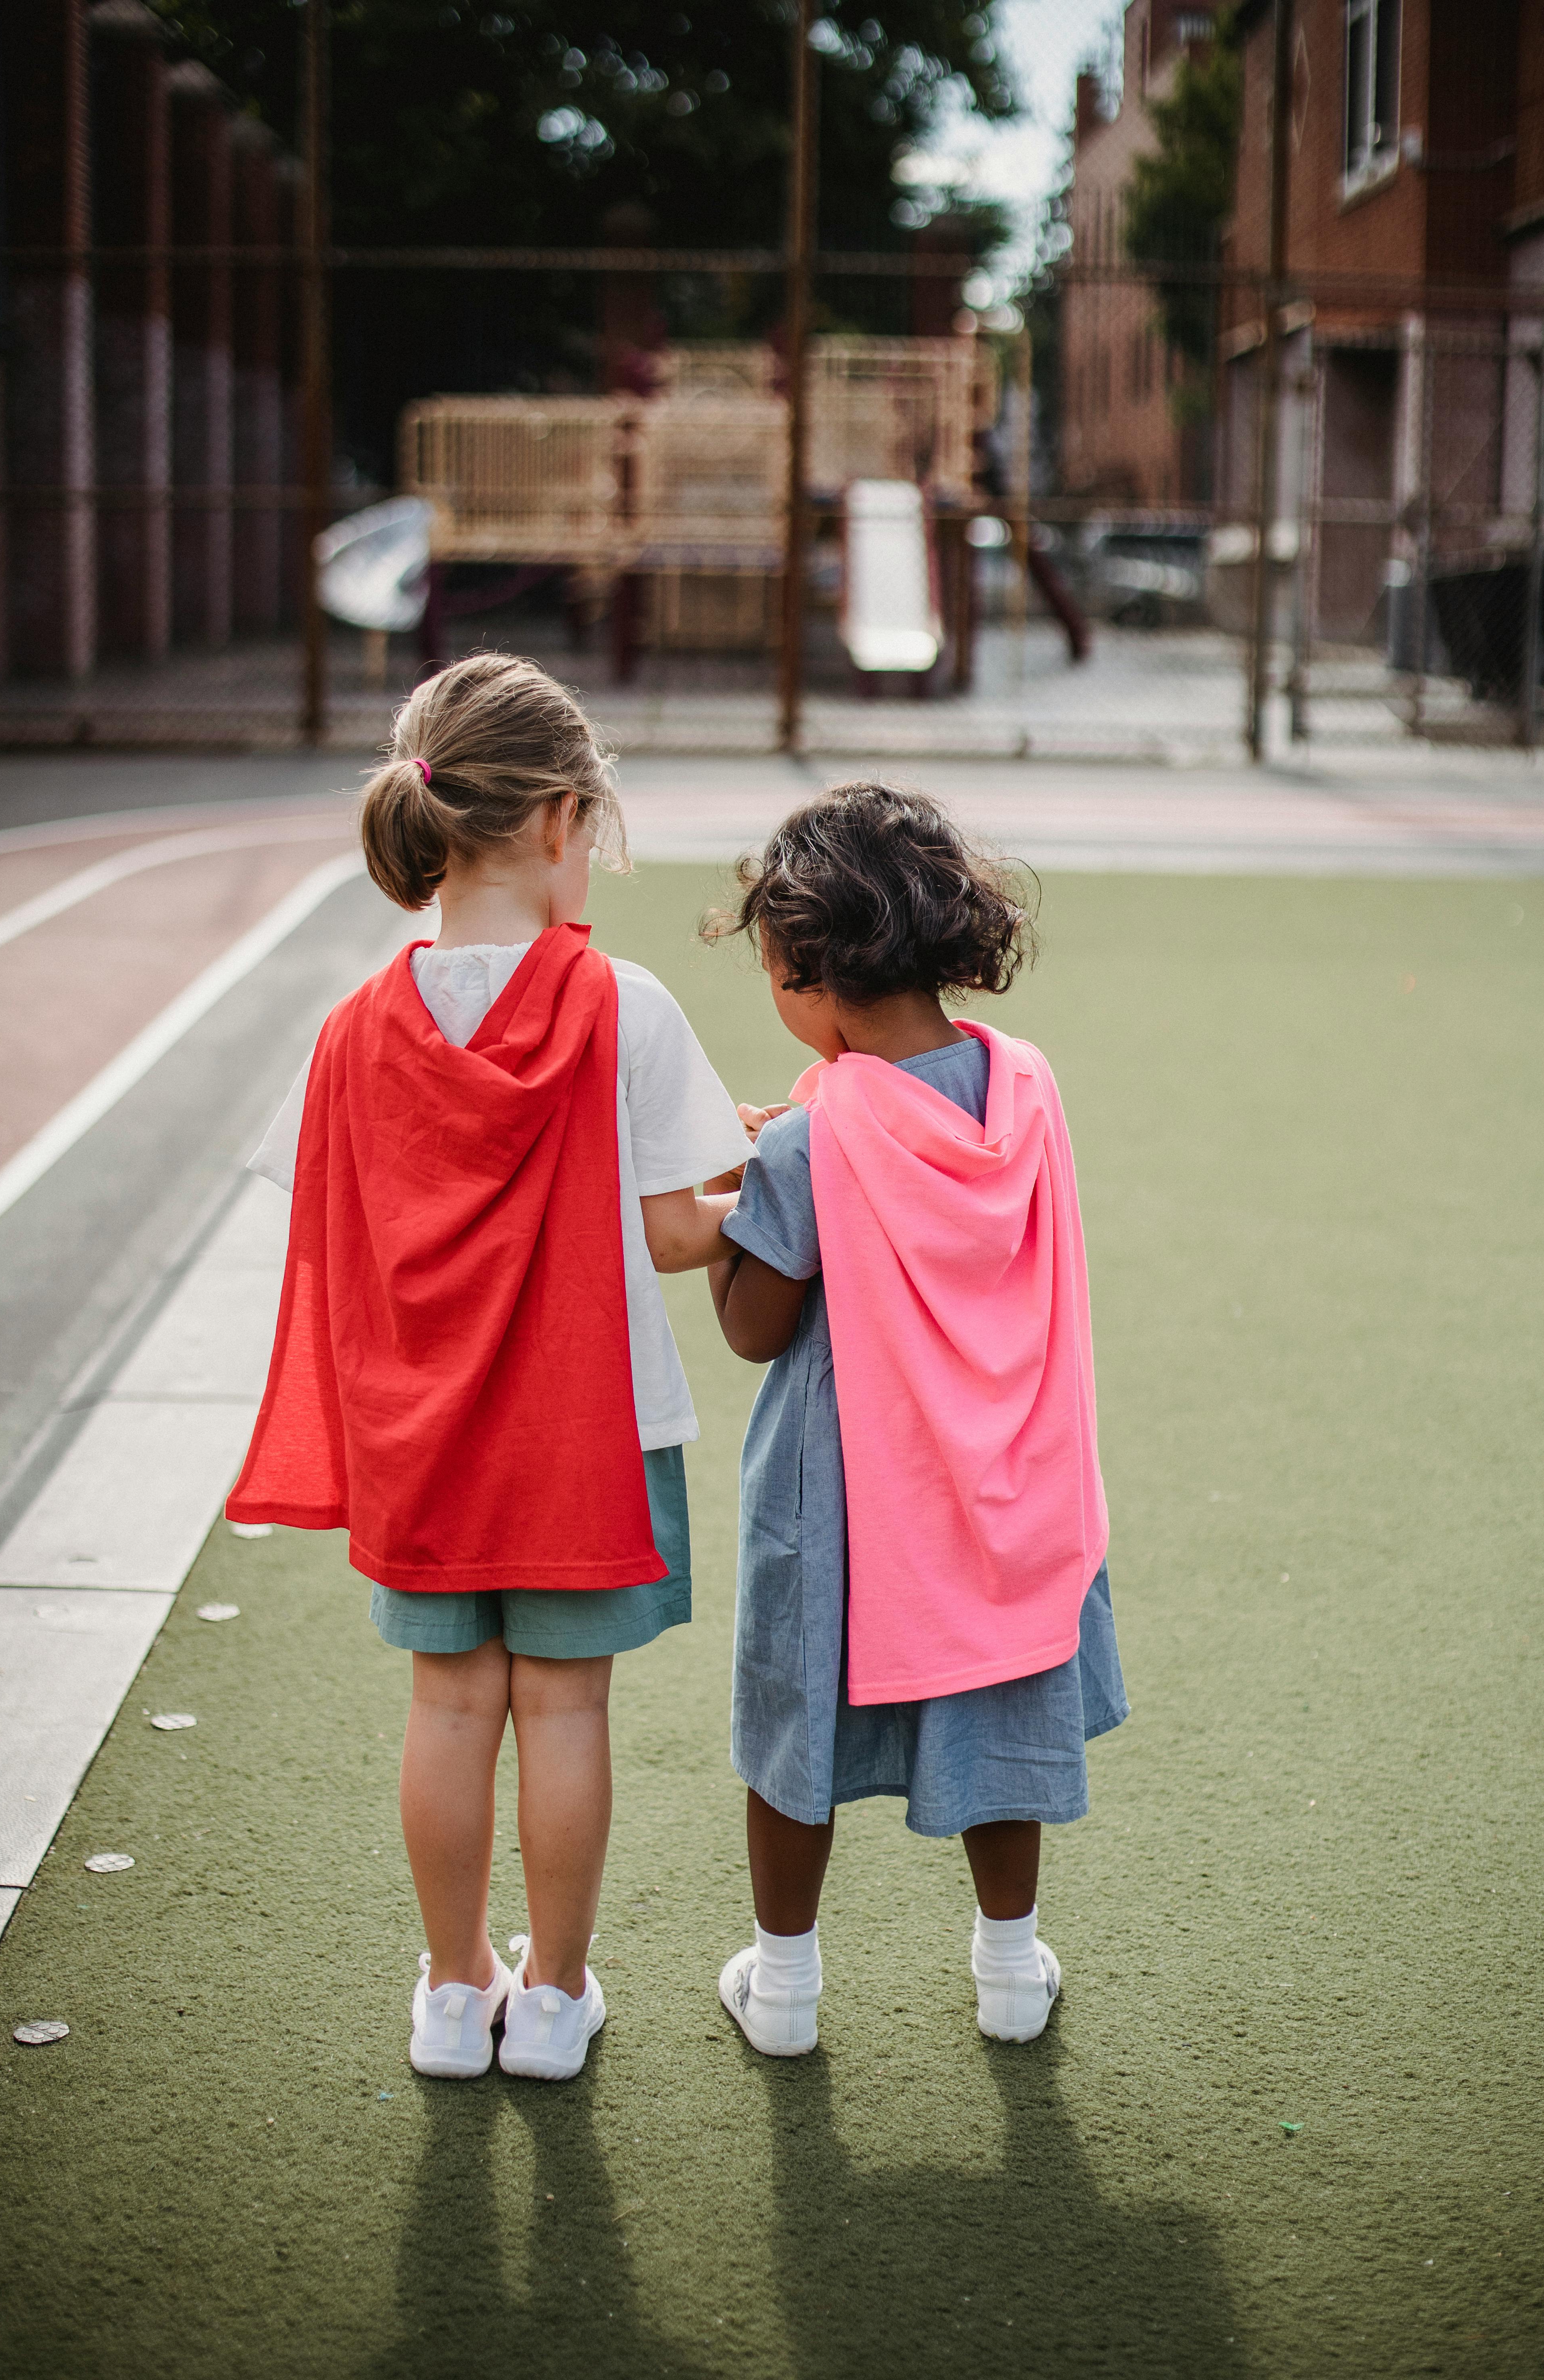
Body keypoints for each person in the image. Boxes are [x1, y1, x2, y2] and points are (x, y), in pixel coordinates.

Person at [229, 651, 751, 2083]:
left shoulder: (351, 1032)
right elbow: (669, 1232)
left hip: (429, 1436)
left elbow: (324, 1209)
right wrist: (759, 1181)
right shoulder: (624, 1003)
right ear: (564, 822)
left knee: (449, 1708)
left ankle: (458, 1994)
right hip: (591, 1437)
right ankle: (560, 1996)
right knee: (566, 1710)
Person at [701, 783, 1128, 2057]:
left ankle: (783, 1990)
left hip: (842, 1478)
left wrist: (735, 1203)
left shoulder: (813, 1140)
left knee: (796, 1720)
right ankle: (1009, 1969)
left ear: (806, 964)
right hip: (1009, 1466)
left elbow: (754, 1326)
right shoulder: (1029, 1085)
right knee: (1001, 1692)